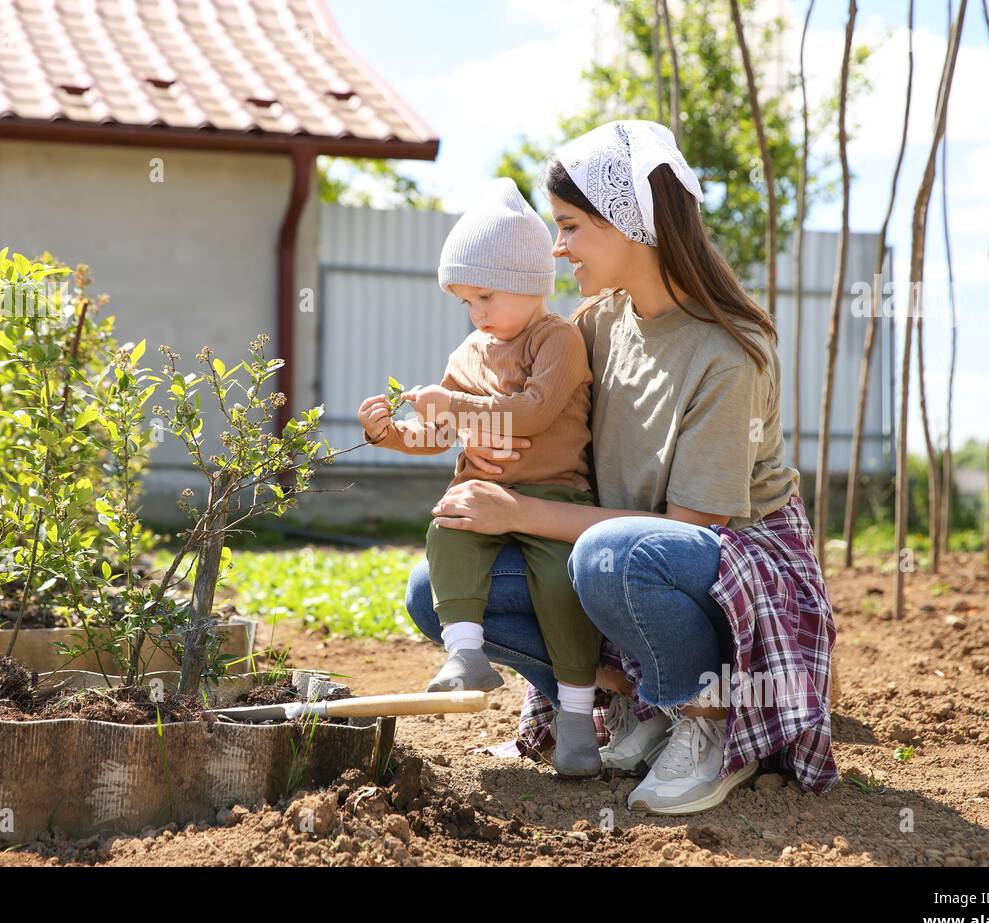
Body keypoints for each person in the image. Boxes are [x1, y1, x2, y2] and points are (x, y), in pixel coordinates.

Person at [404, 121, 840, 815]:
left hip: (731, 561)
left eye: (572, 226)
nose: (557, 246)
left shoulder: (729, 354)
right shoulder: (598, 324)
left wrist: (520, 514)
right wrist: (474, 438)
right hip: (614, 547)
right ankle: (636, 701)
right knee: (436, 589)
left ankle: (709, 718)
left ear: (632, 224)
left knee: (610, 557)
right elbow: (532, 417)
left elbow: (692, 526)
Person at [356, 178, 606, 778]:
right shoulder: (468, 354)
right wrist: (389, 434)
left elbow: (538, 410)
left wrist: (458, 409)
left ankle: (576, 725)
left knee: (559, 587)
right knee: (447, 529)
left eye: (487, 296)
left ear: (529, 283)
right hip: (482, 493)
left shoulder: (559, 339)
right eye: (467, 302)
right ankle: (465, 652)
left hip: (553, 495)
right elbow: (437, 436)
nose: (478, 314)